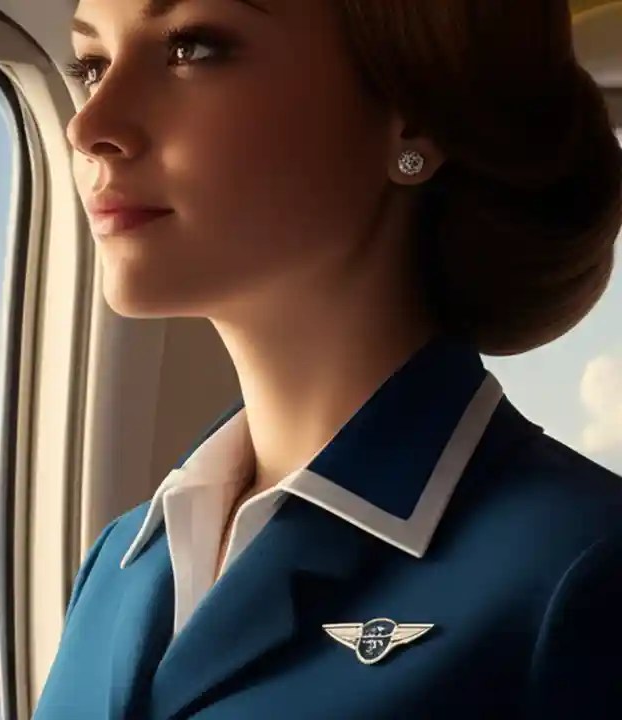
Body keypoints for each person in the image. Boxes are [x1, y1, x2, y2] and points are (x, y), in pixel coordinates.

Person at [33, 0, 622, 718]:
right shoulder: (117, 565)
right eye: (90, 66)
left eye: (192, 48)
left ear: (413, 120)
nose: (88, 126)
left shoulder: (584, 571)